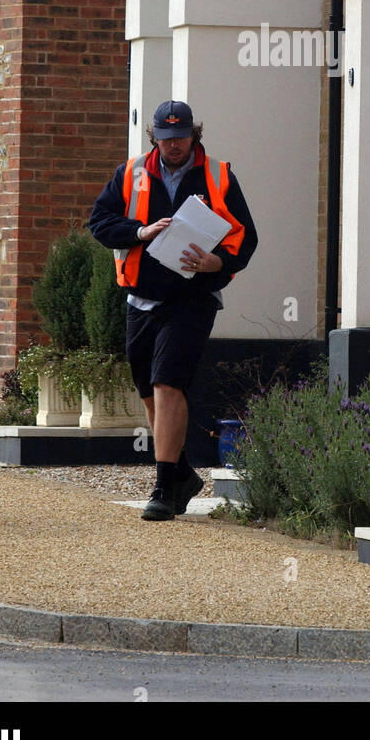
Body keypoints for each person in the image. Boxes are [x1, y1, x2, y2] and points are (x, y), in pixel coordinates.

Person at [89, 100, 258, 520]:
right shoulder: (130, 173)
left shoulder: (218, 176)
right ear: (154, 138)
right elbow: (99, 222)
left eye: (180, 138)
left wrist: (216, 262)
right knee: (148, 391)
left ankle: (164, 486)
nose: (173, 146)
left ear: (193, 135)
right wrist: (140, 231)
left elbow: (244, 237)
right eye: (166, 140)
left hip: (192, 299)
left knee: (168, 385)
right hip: (141, 299)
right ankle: (182, 472)